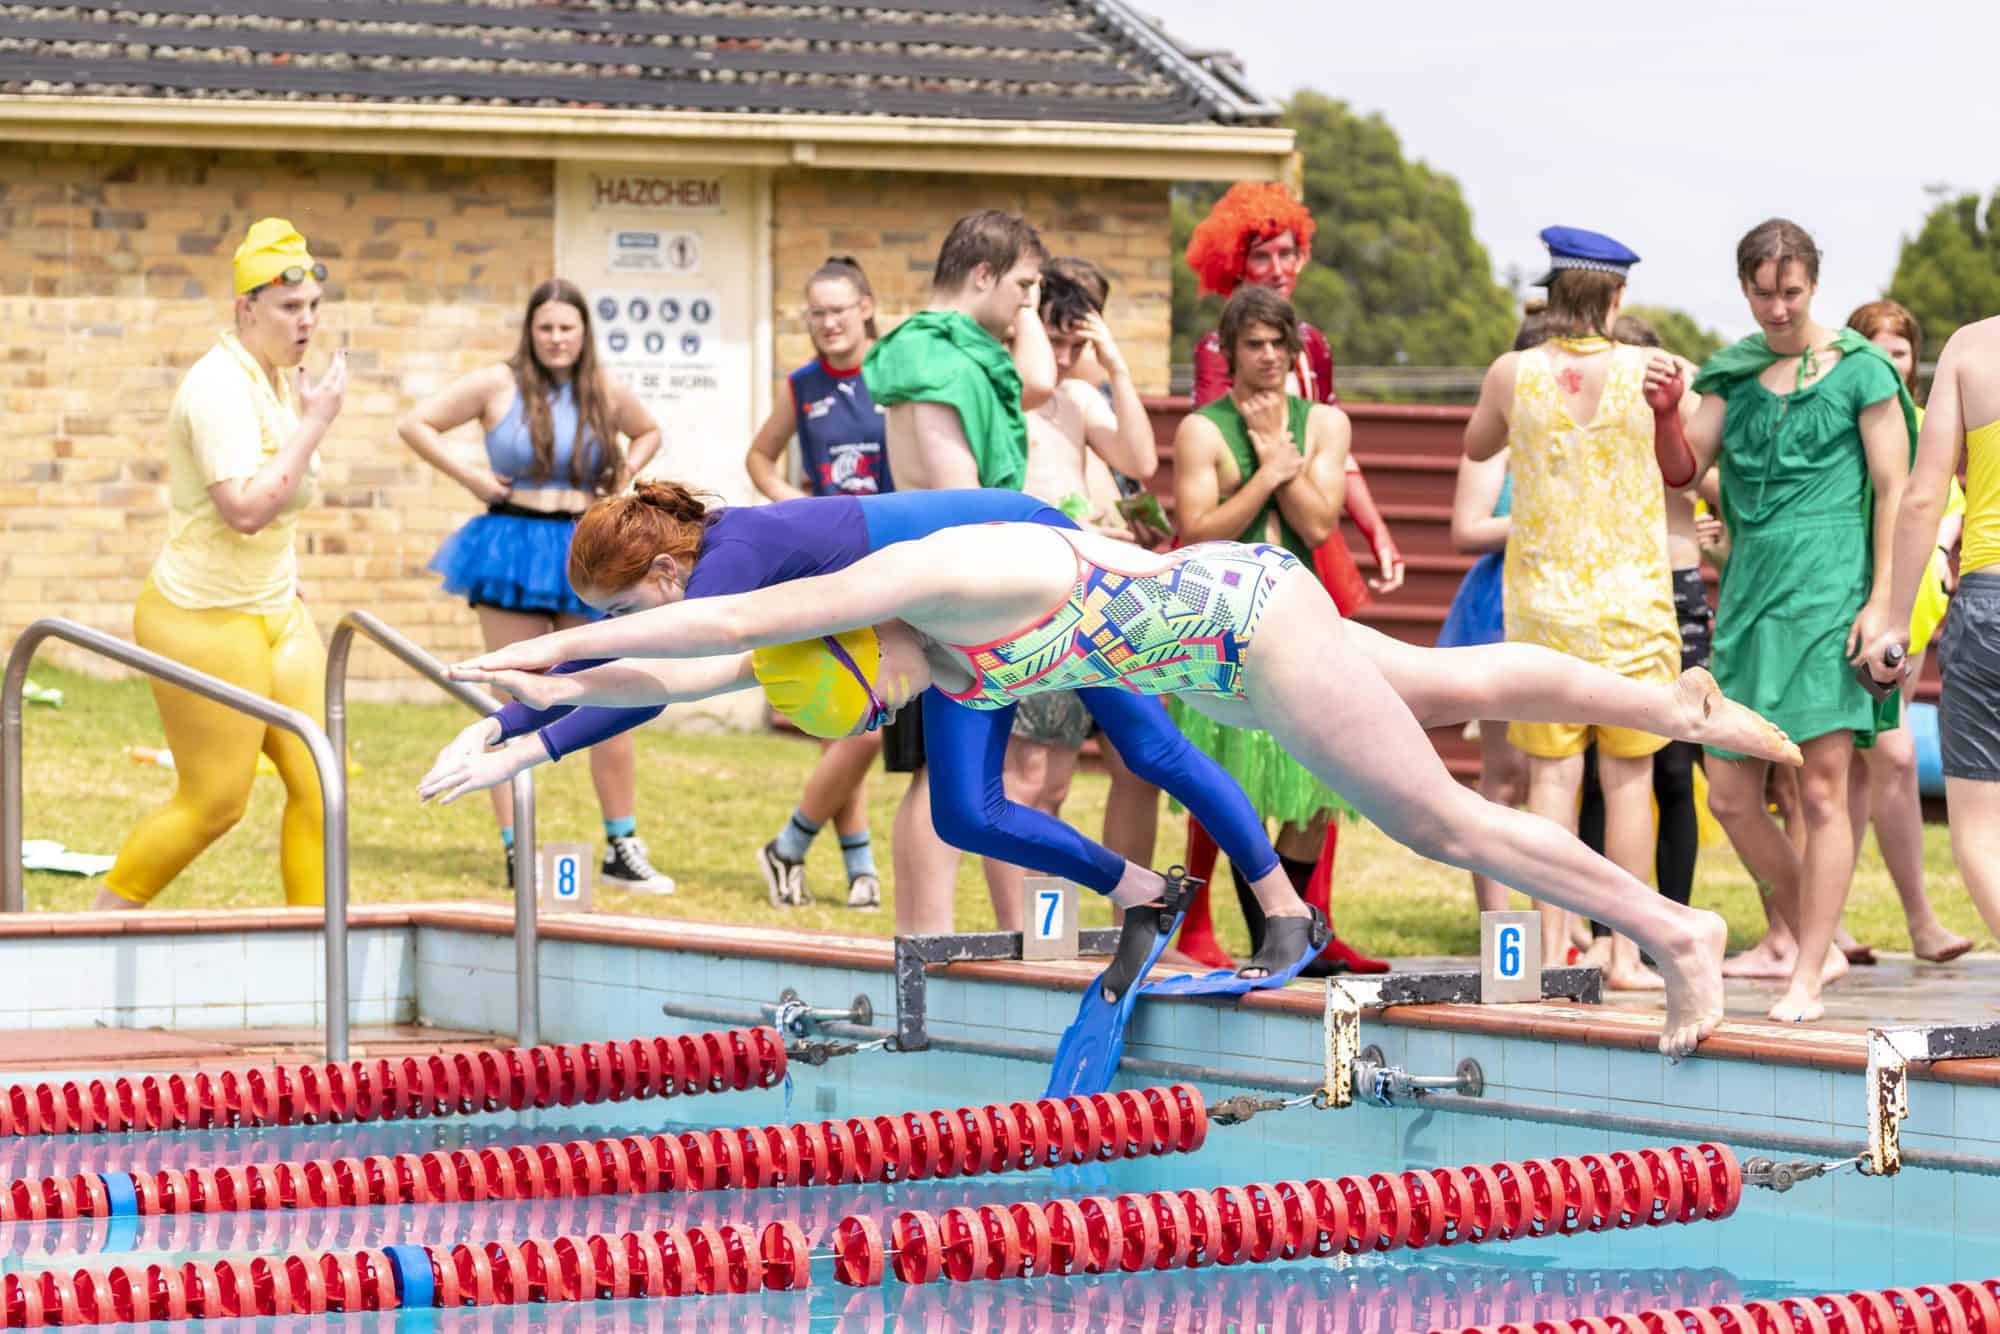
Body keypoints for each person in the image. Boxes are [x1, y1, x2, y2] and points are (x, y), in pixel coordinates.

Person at [443, 493, 1807, 1058]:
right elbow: (689, 675)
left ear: (863, 647)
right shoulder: (919, 651)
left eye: (865, 696)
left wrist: (547, 650)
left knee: (1439, 818)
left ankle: (1675, 929)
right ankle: (1667, 699)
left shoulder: (940, 576)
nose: (885, 710)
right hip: (1225, 642)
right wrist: (523, 718)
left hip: (1251, 630)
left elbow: (735, 621)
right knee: (1445, 683)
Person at [422, 483, 1323, 982]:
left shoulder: (727, 569)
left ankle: (1286, 910)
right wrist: (513, 726)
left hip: (1031, 564)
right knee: (966, 813)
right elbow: (653, 679)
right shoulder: (716, 572)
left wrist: (533, 713)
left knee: (1151, 747)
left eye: (624, 609)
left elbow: (661, 677)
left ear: (664, 571)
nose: (624, 625)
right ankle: (1143, 895)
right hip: (951, 625)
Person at [1646, 219, 1914, 1023]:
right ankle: (1815, 939)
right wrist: (1665, 413)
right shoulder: (1732, 371)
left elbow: (1896, 491)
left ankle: (1807, 974)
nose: (1777, 307)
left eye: (1790, 292)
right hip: (1751, 594)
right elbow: (1683, 472)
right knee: (1729, 794)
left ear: (1813, 285)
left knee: (1824, 790)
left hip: (1832, 589)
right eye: (1763, 292)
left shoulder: (1861, 369)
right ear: (1744, 287)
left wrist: (1883, 603)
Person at [1170, 182, 1405, 974]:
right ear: (1232, 351)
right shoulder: (1205, 415)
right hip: (1225, 616)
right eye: (1255, 345)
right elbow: (1198, 524)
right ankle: (1257, 932)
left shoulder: (1324, 409)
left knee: (1317, 785)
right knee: (1232, 784)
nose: (1269, 357)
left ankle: (1300, 928)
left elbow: (1319, 517)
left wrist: (1290, 468)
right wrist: (1267, 471)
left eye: (1280, 345)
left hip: (1303, 606)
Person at [98, 218, 347, 911]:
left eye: (313, 306)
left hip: (274, 608)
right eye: (290, 307)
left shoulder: (274, 379)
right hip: (202, 616)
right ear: (246, 308)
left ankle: (314, 954)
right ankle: (86, 934)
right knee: (216, 803)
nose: (306, 321)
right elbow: (242, 509)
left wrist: (285, 570)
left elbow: (277, 506)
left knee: (321, 787)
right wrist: (315, 423)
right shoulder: (218, 388)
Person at [396, 278, 673, 895]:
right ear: (530, 330)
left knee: (611, 687)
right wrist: (473, 480)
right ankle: (515, 847)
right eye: (545, 327)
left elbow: (649, 430)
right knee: (511, 693)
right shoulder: (498, 383)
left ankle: (622, 844)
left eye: (567, 328)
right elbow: (416, 424)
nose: (556, 338)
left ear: (583, 332)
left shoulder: (602, 387)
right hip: (511, 544)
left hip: (586, 545)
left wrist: (626, 474)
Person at [1464, 227, 1681, 992]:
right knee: (1629, 782)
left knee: (1552, 783)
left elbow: (1478, 444)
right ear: (1619, 296)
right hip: (1632, 607)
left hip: (1544, 608)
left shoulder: (1512, 371)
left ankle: (1553, 949)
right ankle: (1625, 953)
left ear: (1551, 295)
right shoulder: (1654, 369)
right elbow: (1684, 466)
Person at [858, 210, 1059, 931]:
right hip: (943, 586)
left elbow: (1037, 380)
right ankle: (925, 934)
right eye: (1023, 286)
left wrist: (1025, 304)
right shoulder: (937, 358)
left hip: (948, 580)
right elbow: (959, 494)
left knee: (962, 773)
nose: (1028, 305)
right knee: (939, 776)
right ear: (982, 275)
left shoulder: (956, 351)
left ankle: (933, 934)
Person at [989, 261, 1160, 897]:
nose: (1062, 358)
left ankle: (1049, 930)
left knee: (1057, 785)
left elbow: (1140, 460)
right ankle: (1018, 928)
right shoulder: (1005, 398)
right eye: (1053, 341)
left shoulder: (1079, 399)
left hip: (1085, 598)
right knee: (1026, 780)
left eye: (1073, 344)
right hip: (1025, 600)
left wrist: (1116, 366)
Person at [741, 256, 891, 911]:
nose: (828, 323)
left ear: (866, 308)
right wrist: (795, 508)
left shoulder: (897, 374)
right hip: (828, 562)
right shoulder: (802, 386)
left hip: (896, 560)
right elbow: (759, 457)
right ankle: (836, 860)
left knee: (856, 724)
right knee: (854, 722)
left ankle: (818, 856)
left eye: (839, 310)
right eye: (817, 313)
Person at [1837, 301, 1971, 963]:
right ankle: (1893, 922)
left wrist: (1943, 547)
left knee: (1868, 770)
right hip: (1850, 603)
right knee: (1879, 760)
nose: (1889, 362)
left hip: (1909, 610)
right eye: (1874, 348)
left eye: (1899, 350)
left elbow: (1951, 500)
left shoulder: (1923, 419)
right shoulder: (1843, 420)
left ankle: (1873, 922)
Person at [1865, 314, 2000, 946]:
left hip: (1991, 601)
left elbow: (1924, 496)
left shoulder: (1973, 347)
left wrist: (1895, 620)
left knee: (1981, 831)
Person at [1439, 306, 1542, 915]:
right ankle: (1499, 918)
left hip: (1571, 601)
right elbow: (1467, 528)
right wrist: (1546, 518)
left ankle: (1562, 920)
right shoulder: (1495, 447)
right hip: (1502, 608)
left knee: (1562, 773)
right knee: (1508, 770)